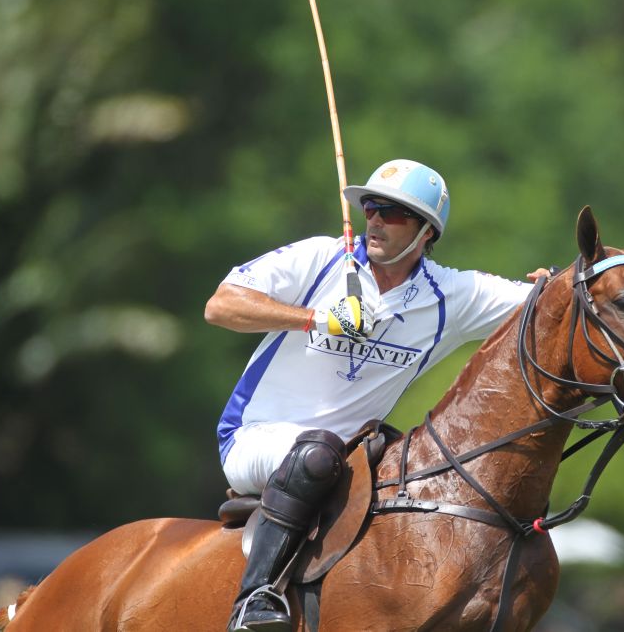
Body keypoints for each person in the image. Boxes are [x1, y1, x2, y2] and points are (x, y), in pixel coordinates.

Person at [205, 158, 547, 632]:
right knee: (317, 454)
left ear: (427, 232)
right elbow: (221, 305)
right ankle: (254, 600)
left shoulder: (448, 296)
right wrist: (316, 319)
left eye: (393, 212)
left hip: (352, 458)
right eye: (370, 207)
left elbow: (550, 303)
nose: (376, 220)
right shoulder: (322, 258)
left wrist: (550, 283)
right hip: (256, 438)